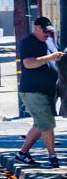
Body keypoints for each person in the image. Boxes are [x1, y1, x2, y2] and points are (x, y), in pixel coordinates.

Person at [15, 15, 63, 168]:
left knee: (40, 123)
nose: (47, 34)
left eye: (49, 32)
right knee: (47, 123)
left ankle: (22, 154)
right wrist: (51, 57)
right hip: (32, 91)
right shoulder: (27, 42)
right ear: (36, 28)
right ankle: (53, 157)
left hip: (49, 90)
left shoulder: (49, 41)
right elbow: (29, 64)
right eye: (45, 31)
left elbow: (54, 59)